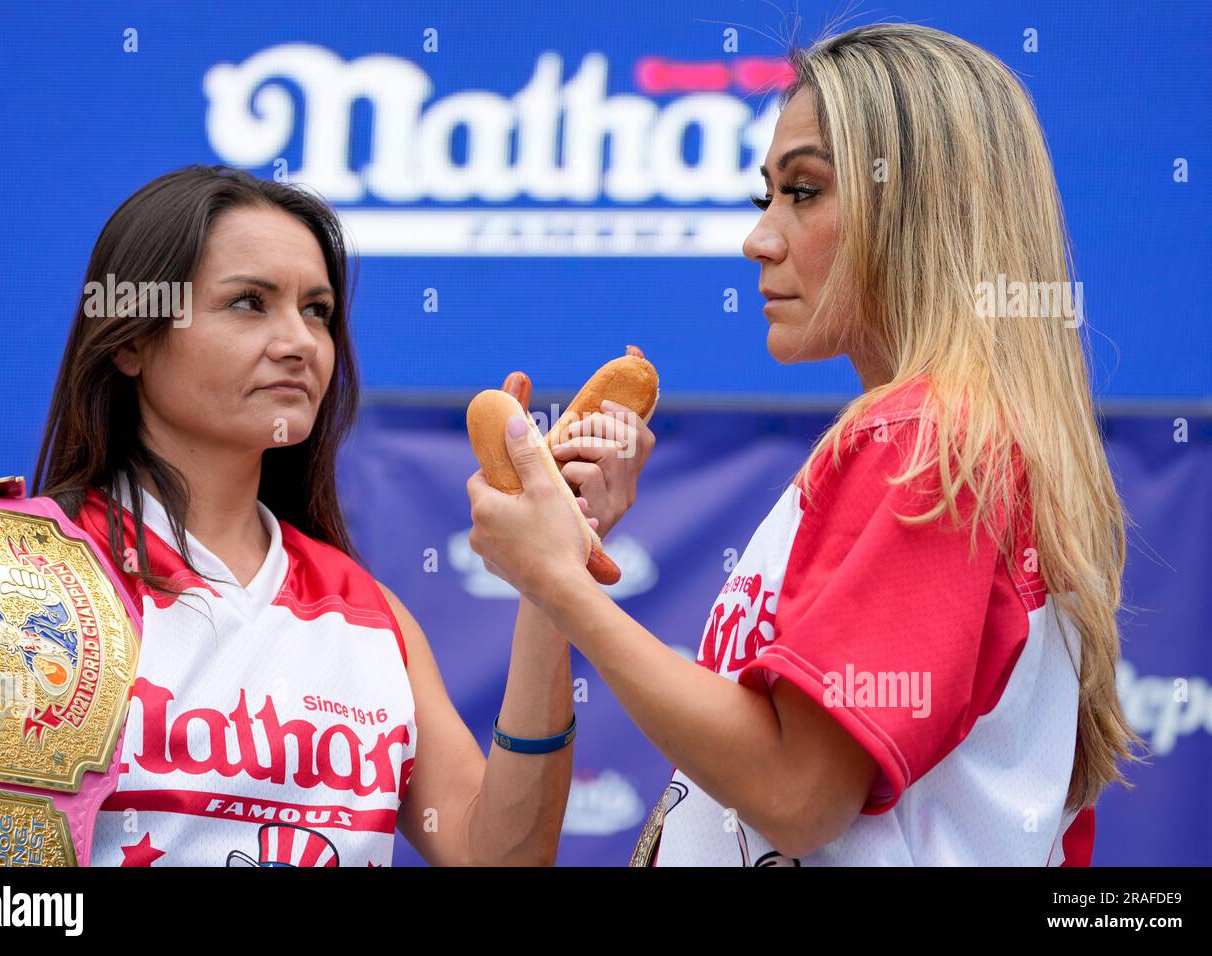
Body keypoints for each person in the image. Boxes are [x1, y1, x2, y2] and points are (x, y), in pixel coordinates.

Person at [466, 23, 1143, 866]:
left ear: (922, 207)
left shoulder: (926, 438)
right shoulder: (956, 437)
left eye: (806, 191)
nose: (760, 239)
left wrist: (559, 581)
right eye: (768, 195)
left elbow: (797, 795)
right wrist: (559, 566)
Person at [32, 164, 637, 866]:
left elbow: (499, 859)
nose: (299, 342)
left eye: (316, 310)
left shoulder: (370, 615)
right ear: (131, 338)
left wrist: (548, 578)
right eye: (249, 303)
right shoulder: (24, 578)